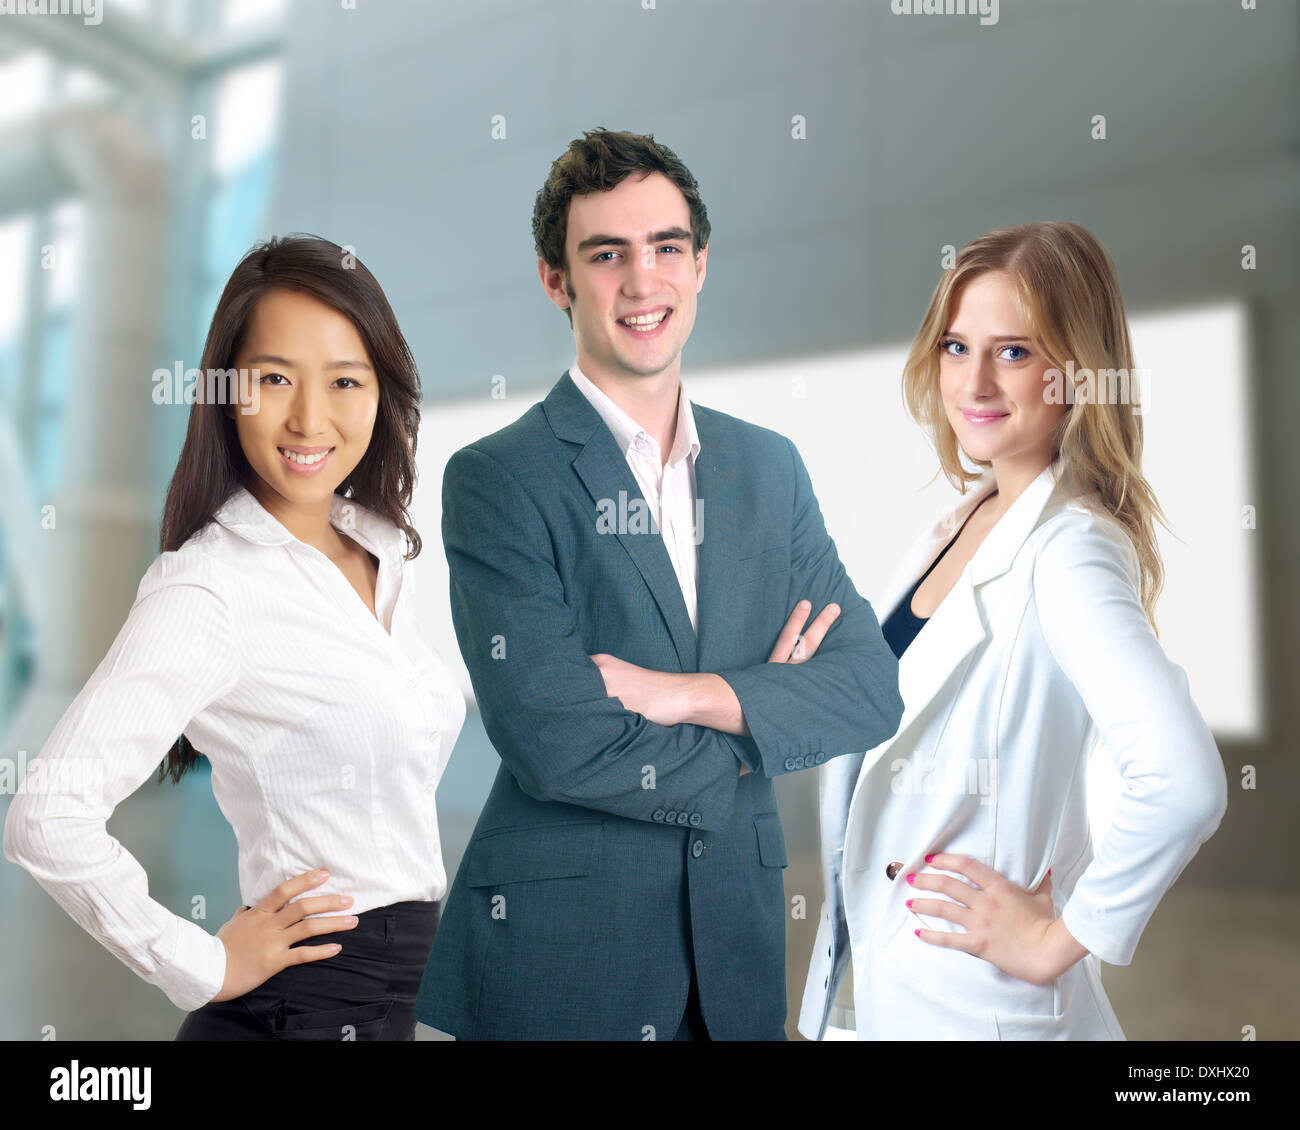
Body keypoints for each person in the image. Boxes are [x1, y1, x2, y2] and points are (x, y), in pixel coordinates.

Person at [413, 128, 903, 1041]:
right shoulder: (499, 478)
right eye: (607, 255)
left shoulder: (769, 468)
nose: (644, 283)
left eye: (666, 248)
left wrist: (692, 696)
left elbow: (871, 690)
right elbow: (553, 736)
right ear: (555, 280)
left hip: (737, 952)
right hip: (565, 958)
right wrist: (764, 724)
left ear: (701, 263)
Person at [3, 234, 466, 1040]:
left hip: (395, 993)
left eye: (345, 381)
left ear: (381, 393)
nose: (309, 418)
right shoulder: (210, 586)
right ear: (225, 391)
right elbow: (45, 815)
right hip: (309, 1005)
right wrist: (202, 964)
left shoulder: (380, 545)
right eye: (274, 378)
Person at [798, 221, 1228, 1040]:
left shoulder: (1067, 550)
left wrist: (1061, 938)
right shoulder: (964, 523)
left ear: (1078, 371)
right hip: (890, 993)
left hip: (974, 1008)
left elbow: (1183, 780)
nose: (977, 383)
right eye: (958, 348)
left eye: (1016, 352)